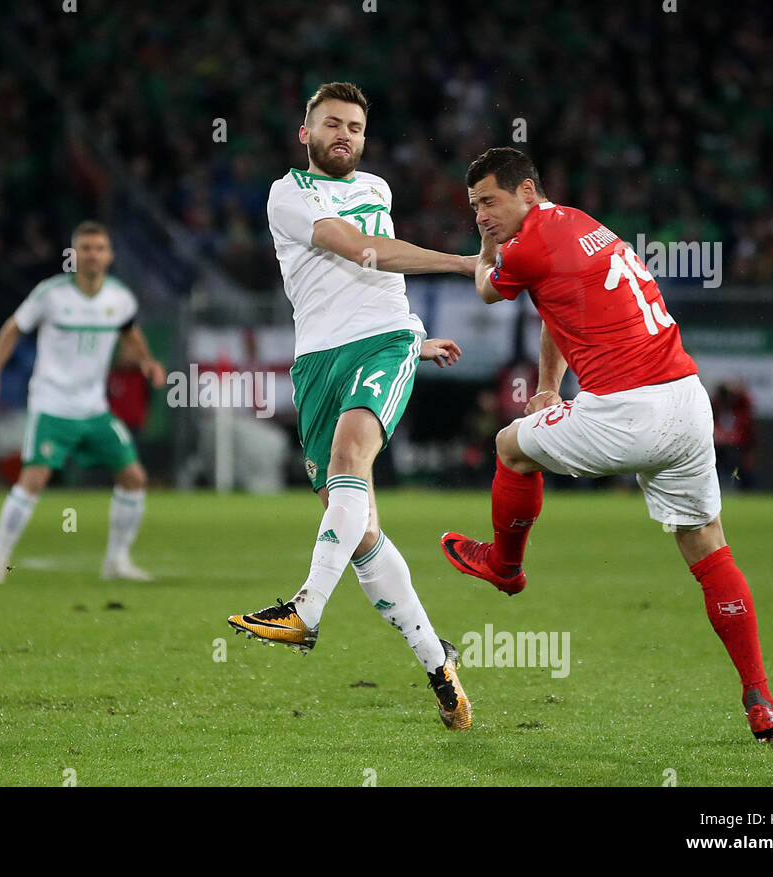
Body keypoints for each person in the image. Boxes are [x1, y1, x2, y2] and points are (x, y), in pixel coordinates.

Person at [442, 147, 773, 742]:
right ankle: (761, 699)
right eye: (473, 205)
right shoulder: (582, 225)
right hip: (687, 402)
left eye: (488, 201)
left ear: (526, 192)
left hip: (631, 411)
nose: (480, 213)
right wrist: (549, 386)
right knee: (708, 548)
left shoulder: (525, 244)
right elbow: (555, 310)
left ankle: (504, 566)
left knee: (508, 446)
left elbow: (485, 289)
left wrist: (484, 251)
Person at [226, 82, 476, 730]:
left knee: (350, 454)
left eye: (356, 128)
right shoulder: (289, 193)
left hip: (383, 343)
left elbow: (382, 275)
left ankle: (305, 611)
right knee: (360, 529)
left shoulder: (379, 189)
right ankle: (436, 660)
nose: (346, 136)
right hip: (316, 364)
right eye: (333, 124)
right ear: (304, 134)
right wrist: (459, 260)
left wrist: (411, 336)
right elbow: (358, 251)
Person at [0, 221, 166, 582]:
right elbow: (14, 327)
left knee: (134, 477)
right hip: (52, 406)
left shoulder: (120, 297)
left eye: (100, 248)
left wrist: (147, 361)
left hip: (94, 409)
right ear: (73, 255)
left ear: (109, 256)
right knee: (32, 480)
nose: (93, 255)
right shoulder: (51, 294)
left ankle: (116, 562)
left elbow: (129, 330)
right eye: (86, 248)